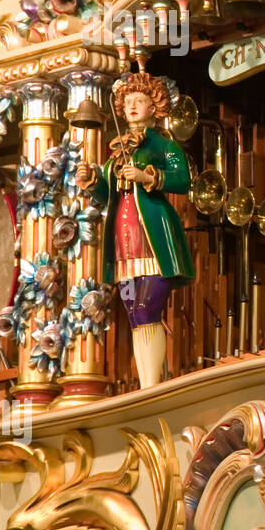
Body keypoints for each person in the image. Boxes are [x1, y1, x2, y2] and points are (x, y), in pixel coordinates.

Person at [75, 72, 194, 387]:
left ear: (154, 107)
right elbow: (108, 195)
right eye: (127, 102)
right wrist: (92, 183)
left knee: (147, 306)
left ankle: (151, 384)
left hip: (152, 233)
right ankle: (147, 383)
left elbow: (184, 179)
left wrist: (148, 177)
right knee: (133, 312)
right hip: (123, 237)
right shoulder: (116, 150)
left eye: (139, 101)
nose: (131, 107)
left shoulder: (163, 144)